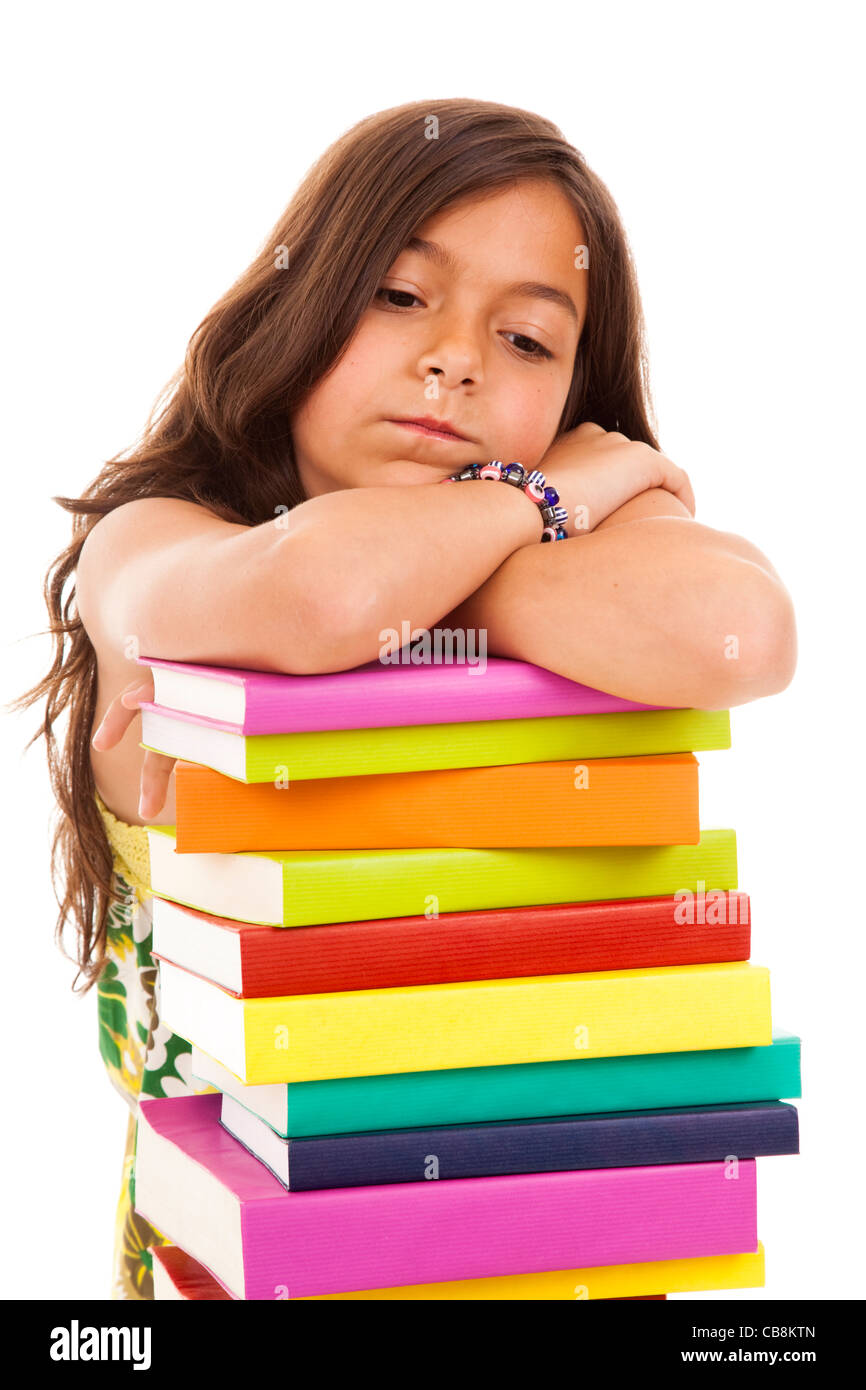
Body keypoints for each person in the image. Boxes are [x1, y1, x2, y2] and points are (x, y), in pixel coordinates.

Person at [14, 97, 796, 1300]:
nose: (457, 360)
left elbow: (736, 631)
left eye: (528, 341)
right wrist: (540, 505)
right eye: (397, 294)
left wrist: (467, 544)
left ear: (573, 400)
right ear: (303, 300)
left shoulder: (551, 512)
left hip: (554, 1251)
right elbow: (323, 595)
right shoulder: (157, 541)